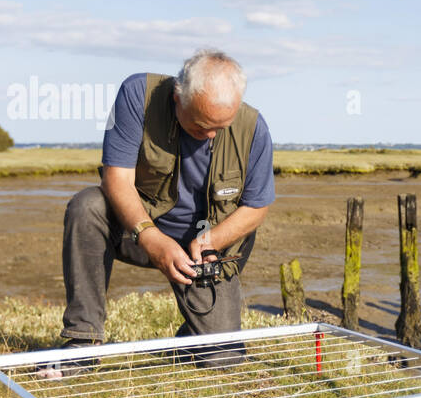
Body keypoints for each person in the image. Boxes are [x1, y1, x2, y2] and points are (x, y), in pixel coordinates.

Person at [53, 49, 275, 369]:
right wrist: (151, 237)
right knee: (87, 206)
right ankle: (83, 340)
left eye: (220, 127)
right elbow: (116, 179)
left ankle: (190, 338)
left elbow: (257, 207)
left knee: (222, 358)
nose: (210, 135)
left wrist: (210, 241)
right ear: (177, 97)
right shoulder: (137, 95)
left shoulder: (254, 128)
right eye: (201, 126)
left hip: (201, 248)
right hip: (138, 229)